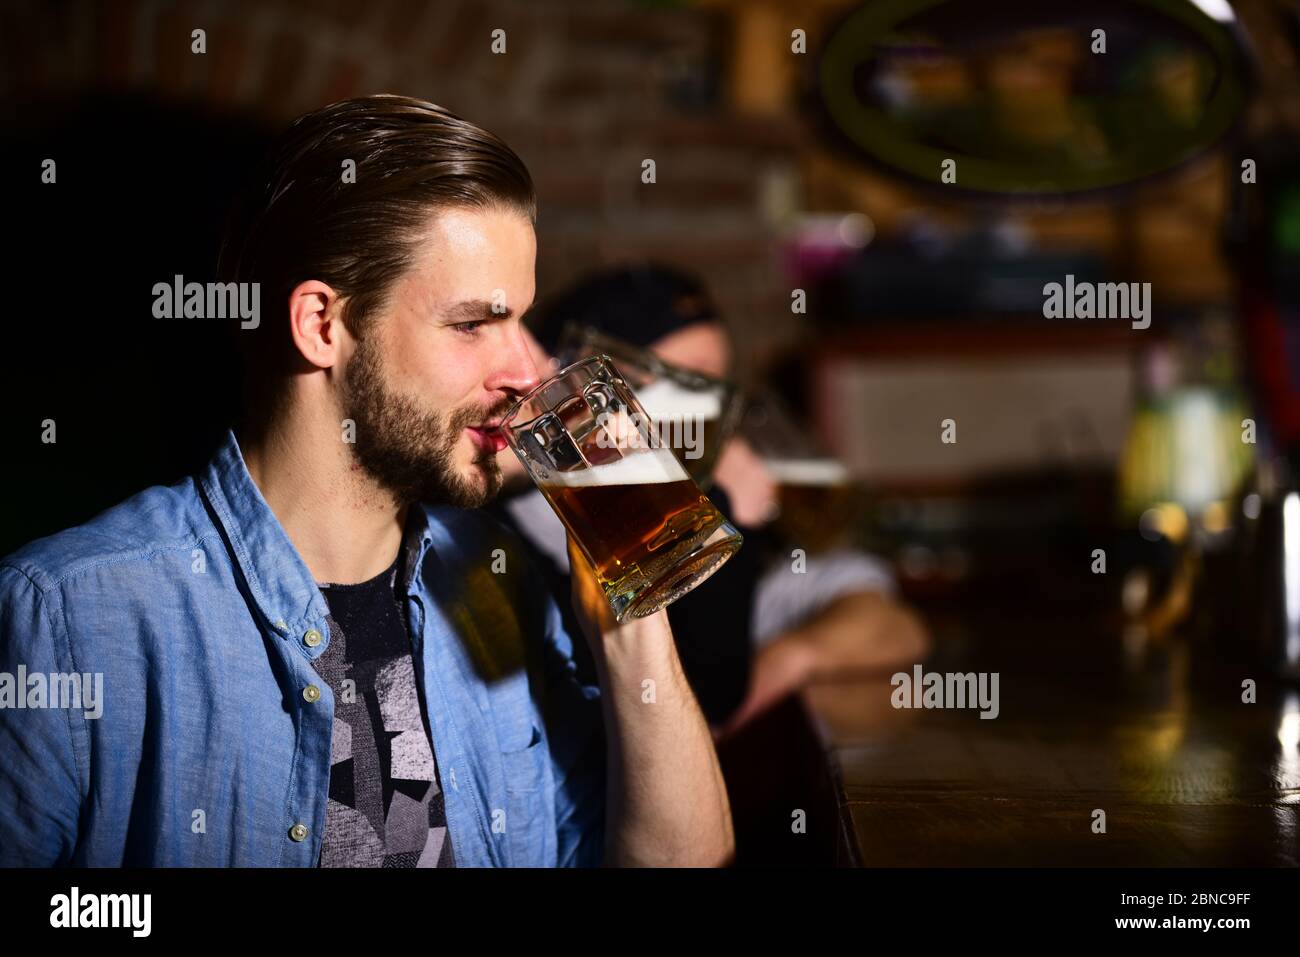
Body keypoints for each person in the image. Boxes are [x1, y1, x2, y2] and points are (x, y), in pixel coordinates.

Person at [0, 97, 733, 867]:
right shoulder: (71, 615)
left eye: (519, 318)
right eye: (473, 324)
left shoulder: (498, 582)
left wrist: (632, 600)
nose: (527, 370)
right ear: (321, 325)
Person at [500, 263, 929, 736]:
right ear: (588, 387)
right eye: (689, 382)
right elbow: (708, 698)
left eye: (718, 388)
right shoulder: (517, 542)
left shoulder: (681, 520)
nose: (710, 416)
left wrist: (791, 658)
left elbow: (890, 621)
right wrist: (726, 507)